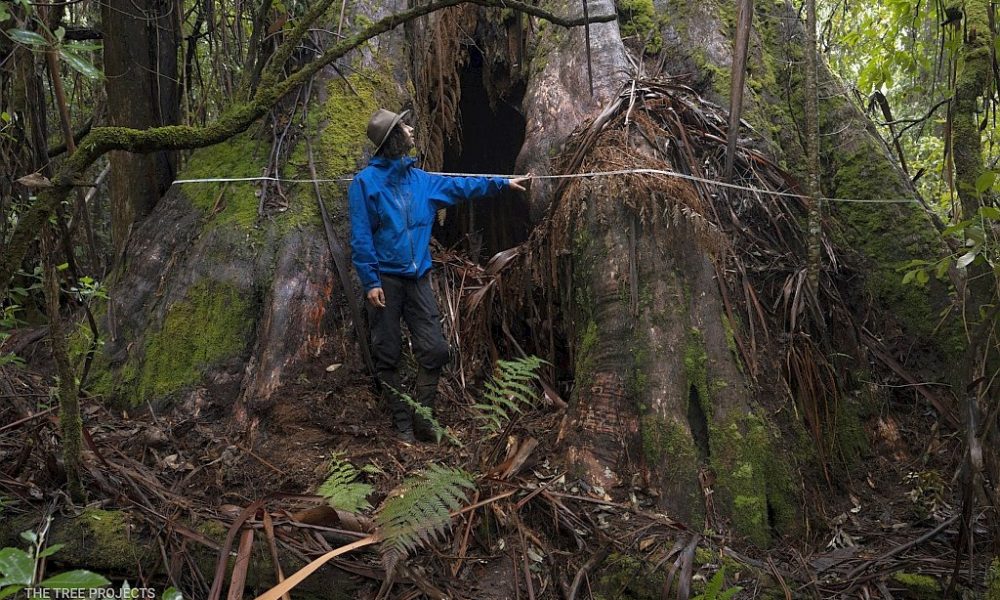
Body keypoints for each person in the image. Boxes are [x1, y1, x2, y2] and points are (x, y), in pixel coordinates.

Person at [349, 108, 529, 443]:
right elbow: (360, 237)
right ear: (394, 138)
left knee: (434, 349)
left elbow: (461, 185)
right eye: (404, 126)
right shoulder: (365, 184)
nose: (412, 128)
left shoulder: (422, 181)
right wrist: (370, 281)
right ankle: (402, 424)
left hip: (418, 279)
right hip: (385, 281)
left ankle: (423, 417)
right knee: (387, 352)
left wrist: (502, 183)